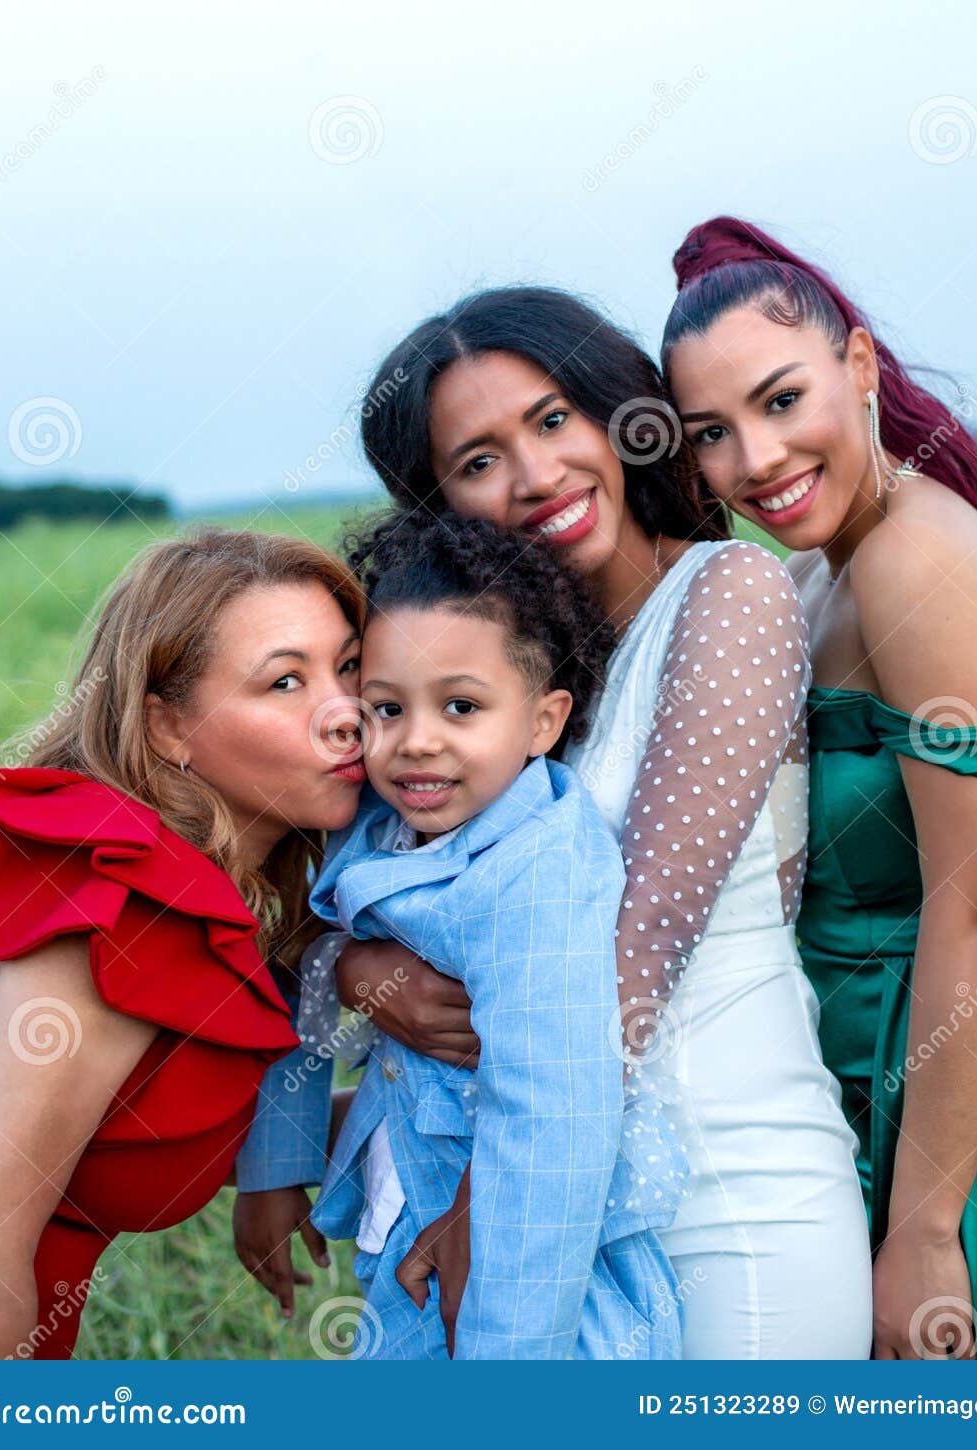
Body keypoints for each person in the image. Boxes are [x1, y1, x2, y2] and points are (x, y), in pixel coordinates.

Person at [236, 287, 873, 1359]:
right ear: (439, 506)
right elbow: (371, 883)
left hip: (723, 1207)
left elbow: (640, 939)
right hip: (546, 1211)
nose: (535, 476)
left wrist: (497, 1201)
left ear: (616, 416)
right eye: (478, 460)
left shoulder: (727, 593)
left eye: (551, 420)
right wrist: (359, 971)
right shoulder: (473, 677)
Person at [659, 215, 977, 1361]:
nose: (756, 459)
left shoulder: (914, 560)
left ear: (857, 366)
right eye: (711, 433)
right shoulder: (813, 574)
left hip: (951, 1109)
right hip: (855, 1075)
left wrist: (924, 1233)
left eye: (781, 400)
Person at [0, 527, 368, 1358]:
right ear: (165, 727)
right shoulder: (134, 898)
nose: (345, 713)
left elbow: (152, 1128)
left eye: (352, 667)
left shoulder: (208, 895)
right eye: (285, 682)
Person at [305, 507, 687, 1358]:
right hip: (411, 1225)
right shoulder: (381, 825)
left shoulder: (537, 868)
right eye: (385, 708)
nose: (416, 742)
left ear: (544, 722)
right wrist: (271, 1172)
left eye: (460, 706)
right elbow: (306, 954)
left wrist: (508, 1358)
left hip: (529, 1289)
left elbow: (551, 1121)